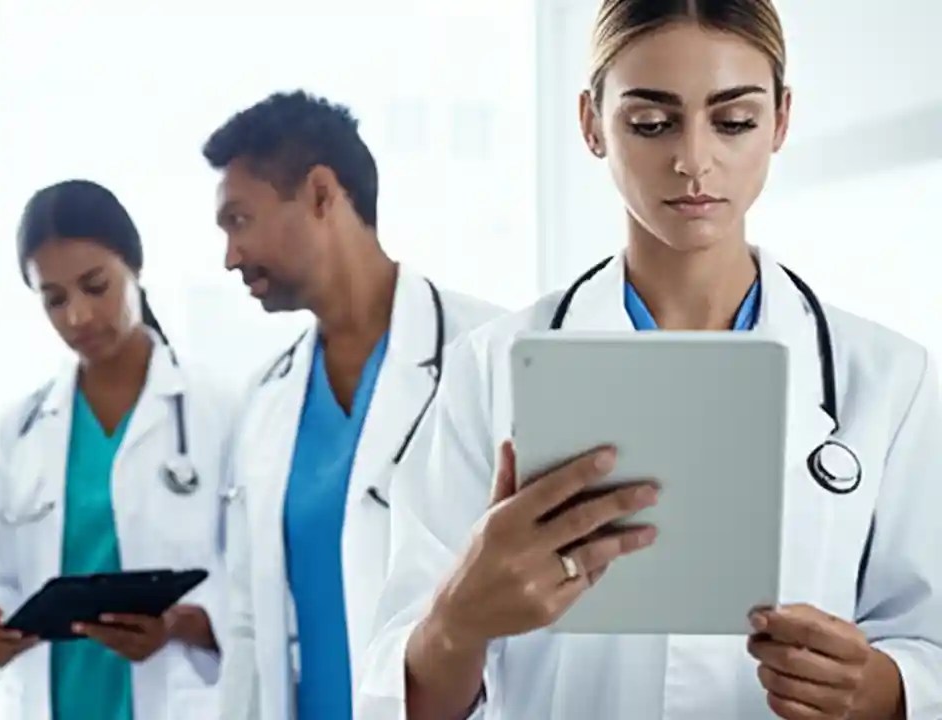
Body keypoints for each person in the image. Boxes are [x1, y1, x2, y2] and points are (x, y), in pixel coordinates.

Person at [357, 2, 942, 719]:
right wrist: (459, 621)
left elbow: (928, 643)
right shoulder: (489, 371)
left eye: (733, 122)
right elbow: (403, 694)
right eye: (651, 123)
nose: (693, 160)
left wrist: (885, 691)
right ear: (590, 123)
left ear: (781, 120)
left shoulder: (889, 380)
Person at [202, 91, 505, 720]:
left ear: (320, 193)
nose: (230, 255)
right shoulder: (266, 398)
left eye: (239, 221)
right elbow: (249, 629)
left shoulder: (489, 356)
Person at [0, 179, 229, 720]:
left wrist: (178, 624)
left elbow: (255, 583)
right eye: (54, 299)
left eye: (95, 286)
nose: (77, 317)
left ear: (135, 268)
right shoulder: (22, 428)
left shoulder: (219, 412)